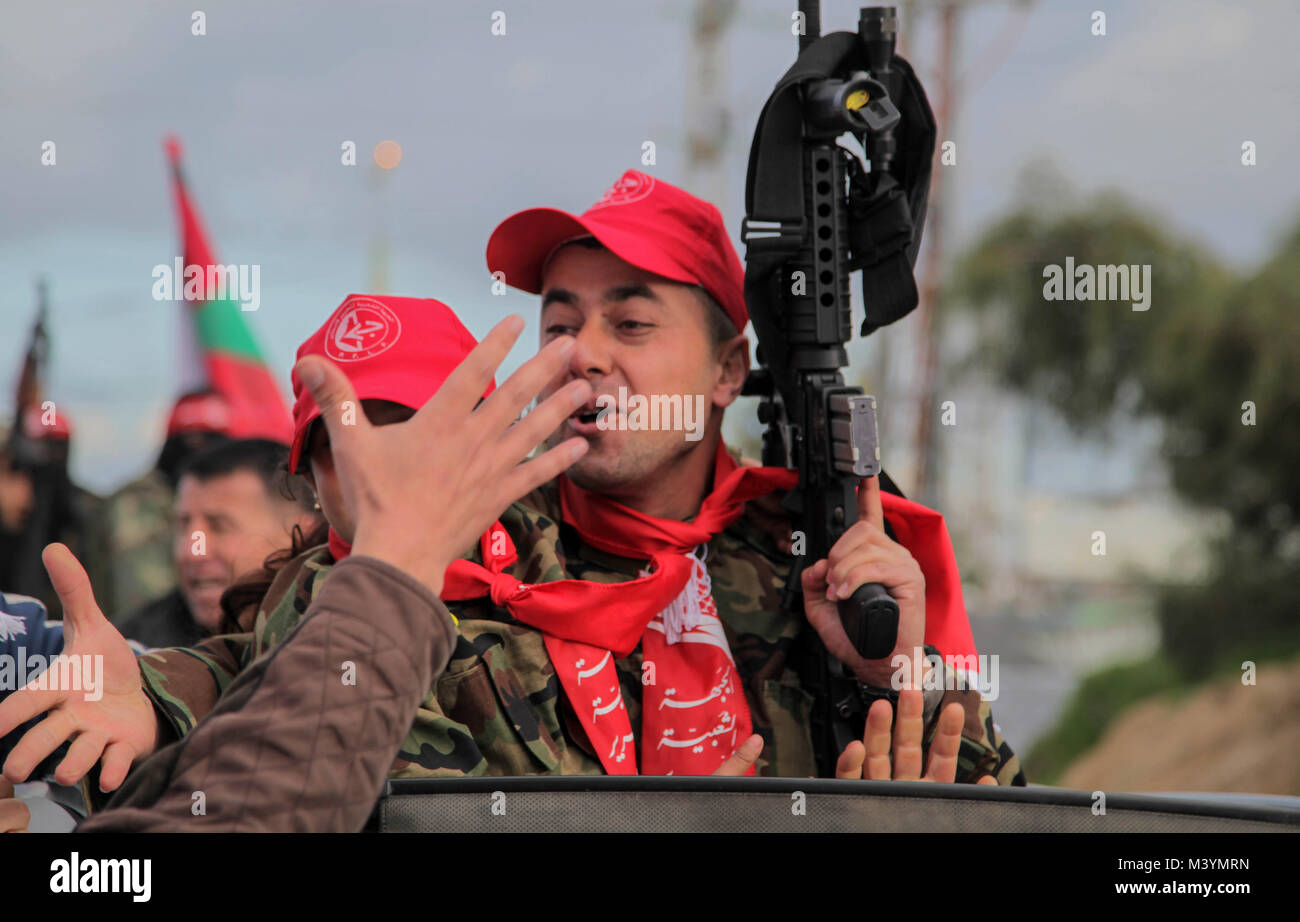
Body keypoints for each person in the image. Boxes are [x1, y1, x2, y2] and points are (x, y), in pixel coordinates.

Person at [0, 308, 590, 829]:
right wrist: (152, 703)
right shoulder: (299, 623)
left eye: (412, 429)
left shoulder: (593, 563)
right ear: (306, 478)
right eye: (341, 441)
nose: (378, 469)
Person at [116, 438, 321, 649]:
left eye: (219, 526)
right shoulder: (131, 648)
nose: (191, 552)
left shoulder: (339, 633)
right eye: (183, 525)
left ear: (302, 535)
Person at [89, 390, 234, 621]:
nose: (202, 454)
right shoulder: (138, 502)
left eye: (211, 441)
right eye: (192, 440)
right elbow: (142, 599)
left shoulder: (224, 500)